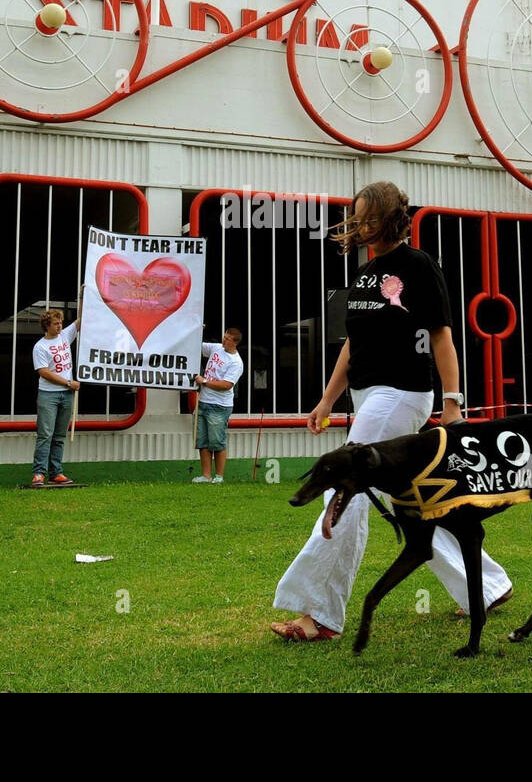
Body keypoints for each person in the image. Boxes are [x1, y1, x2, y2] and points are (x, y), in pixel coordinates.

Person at [269, 182, 512, 641]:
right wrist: (326, 399)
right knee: (406, 503)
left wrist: (453, 404)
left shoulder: (417, 264)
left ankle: (318, 614)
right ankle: (488, 587)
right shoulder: (364, 273)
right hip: (367, 394)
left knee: (344, 490)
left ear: (388, 218)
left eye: (366, 217)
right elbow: (352, 347)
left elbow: (441, 335)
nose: (358, 225)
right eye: (356, 216)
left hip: (401, 393)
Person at [32, 294, 81, 486]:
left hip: (66, 395)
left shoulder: (64, 337)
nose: (60, 326)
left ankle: (56, 472)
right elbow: (44, 372)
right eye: (56, 323)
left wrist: (84, 296)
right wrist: (68, 383)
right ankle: (39, 473)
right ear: (47, 325)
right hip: (48, 394)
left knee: (60, 435)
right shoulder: (40, 347)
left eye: (60, 322)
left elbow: (80, 321)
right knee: (45, 434)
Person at [191, 328, 244, 484]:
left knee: (217, 441)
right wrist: (195, 330)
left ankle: (219, 476)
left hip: (220, 405)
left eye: (228, 339)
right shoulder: (216, 349)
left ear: (235, 342)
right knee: (203, 441)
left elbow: (227, 385)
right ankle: (206, 476)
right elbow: (197, 346)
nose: (224, 340)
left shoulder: (236, 362)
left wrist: (205, 382)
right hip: (203, 401)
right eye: (224, 337)